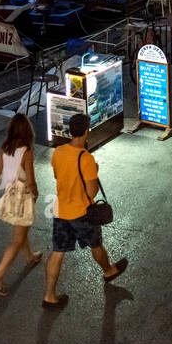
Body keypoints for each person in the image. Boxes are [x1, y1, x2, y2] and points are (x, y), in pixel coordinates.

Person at [42, 113, 126, 309]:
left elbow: (57, 176)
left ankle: (49, 296)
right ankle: (109, 271)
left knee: (57, 252)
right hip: (82, 212)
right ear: (86, 131)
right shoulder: (86, 158)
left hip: (61, 210)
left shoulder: (59, 152)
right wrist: (94, 173)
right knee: (95, 245)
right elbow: (91, 190)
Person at [0, 113, 42, 296]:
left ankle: (29, 257)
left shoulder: (5, 148)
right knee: (16, 240)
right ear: (27, 131)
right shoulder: (27, 151)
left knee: (20, 231)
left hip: (10, 194)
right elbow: (30, 179)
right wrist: (35, 194)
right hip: (22, 195)